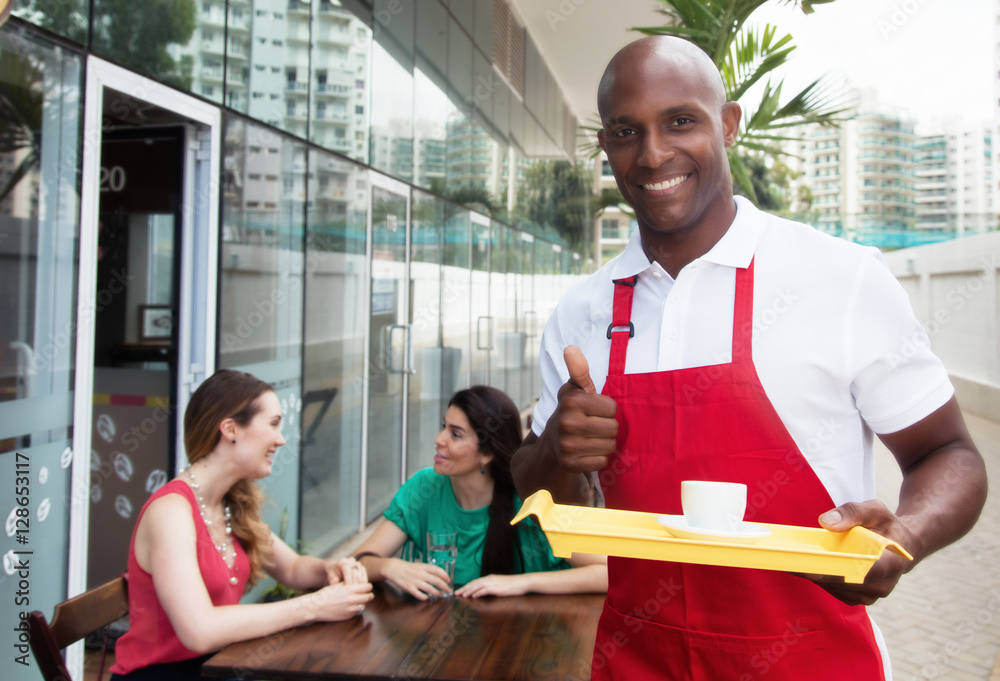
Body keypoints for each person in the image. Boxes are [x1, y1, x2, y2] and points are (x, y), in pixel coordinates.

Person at [511, 36, 987, 680]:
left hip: (814, 661)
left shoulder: (838, 278)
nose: (654, 155)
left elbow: (950, 452)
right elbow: (540, 489)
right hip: (636, 661)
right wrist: (554, 452)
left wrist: (907, 535)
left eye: (681, 121)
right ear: (606, 147)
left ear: (729, 125)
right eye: (627, 132)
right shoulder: (582, 311)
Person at [110, 370, 373, 680]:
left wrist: (332, 568)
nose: (281, 438)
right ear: (231, 429)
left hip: (220, 666)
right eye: (273, 424)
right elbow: (199, 631)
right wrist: (314, 606)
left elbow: (292, 568)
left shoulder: (229, 502)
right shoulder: (171, 512)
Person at [353, 385, 607, 600]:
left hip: (533, 640)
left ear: (487, 454)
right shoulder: (423, 488)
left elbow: (609, 572)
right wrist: (389, 567)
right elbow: (358, 563)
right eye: (444, 427)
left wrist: (524, 583)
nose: (439, 439)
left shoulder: (533, 499)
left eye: (455, 434)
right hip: (444, 635)